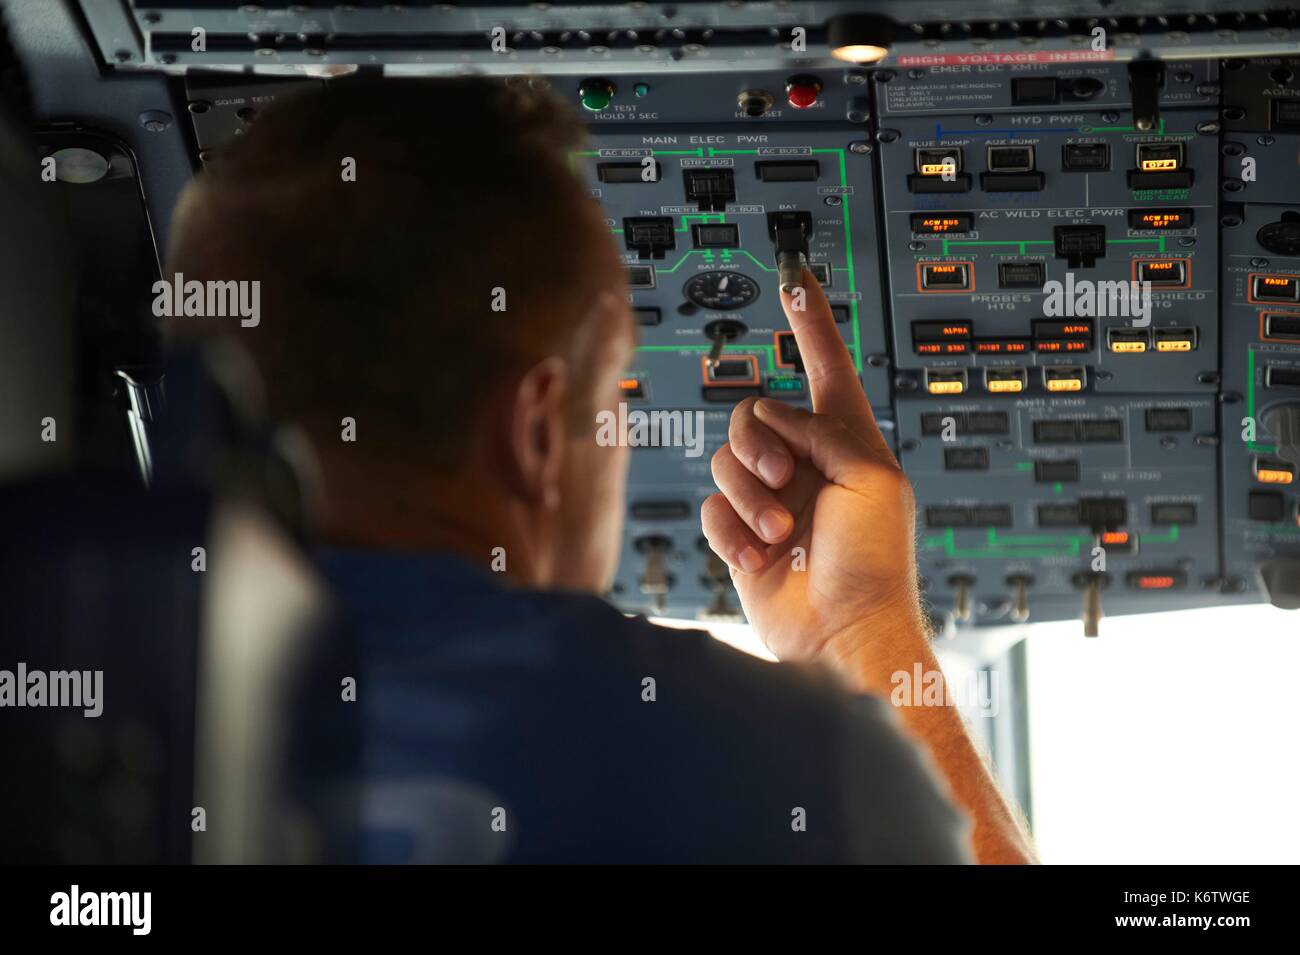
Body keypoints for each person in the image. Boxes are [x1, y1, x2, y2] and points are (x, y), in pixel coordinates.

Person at [165, 77, 1036, 863]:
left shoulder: (85, 698)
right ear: (538, 430)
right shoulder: (780, 763)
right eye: (610, 398)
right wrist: (866, 628)